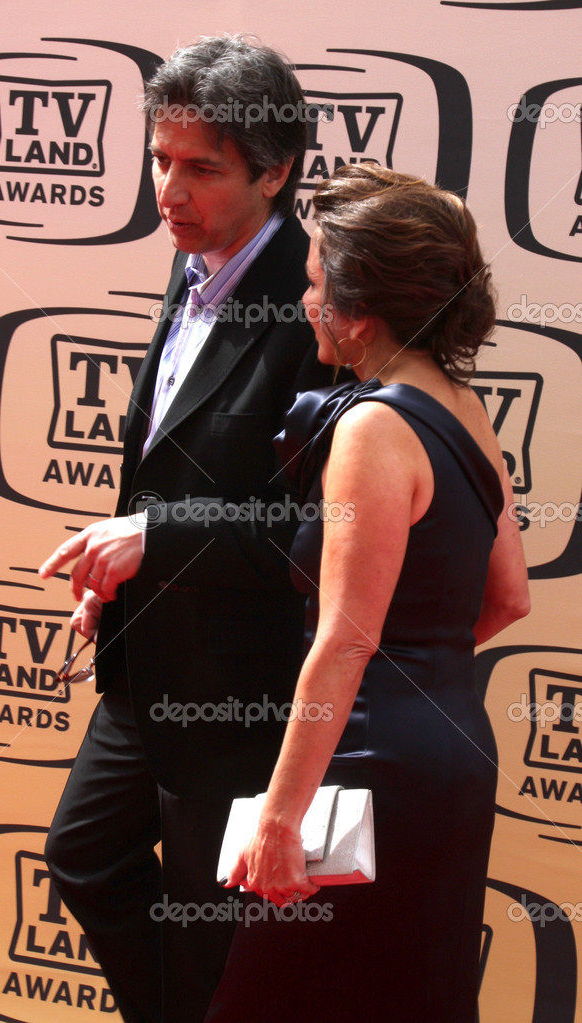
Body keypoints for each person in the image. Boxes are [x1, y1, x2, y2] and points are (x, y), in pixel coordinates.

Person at [38, 35, 334, 1023]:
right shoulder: (192, 259)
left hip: (244, 697)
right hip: (143, 664)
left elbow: (319, 534)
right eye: (160, 161)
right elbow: (165, 460)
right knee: (83, 857)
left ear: (275, 169)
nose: (168, 189)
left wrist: (155, 539)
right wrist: (120, 564)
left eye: (200, 168)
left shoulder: (321, 303)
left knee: (216, 940)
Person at [205, 164, 530, 1022]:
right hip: (452, 757)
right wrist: (421, 669)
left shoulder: (371, 427)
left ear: (359, 306)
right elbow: (508, 599)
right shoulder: (465, 407)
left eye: (314, 284)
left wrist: (279, 818)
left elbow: (345, 640)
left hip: (366, 769)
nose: (305, 302)